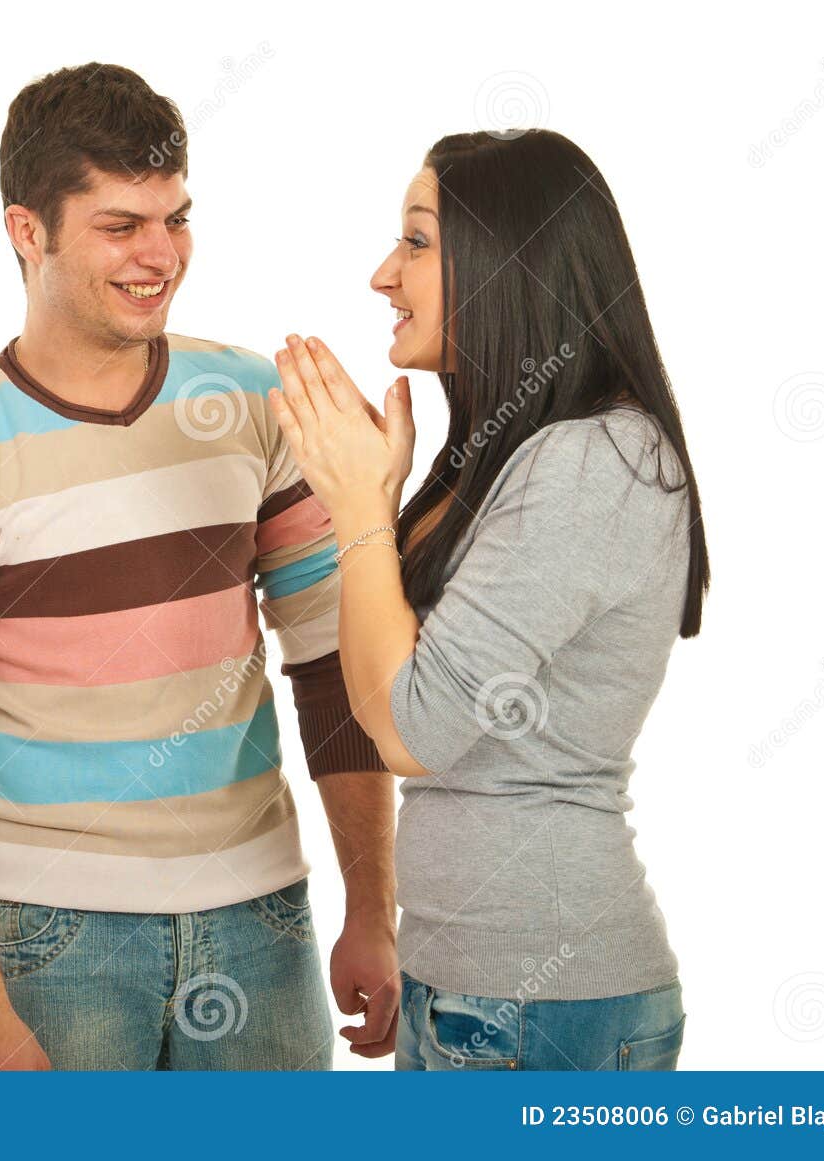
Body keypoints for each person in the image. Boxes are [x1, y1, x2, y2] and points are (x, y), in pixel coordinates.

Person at [0, 64, 397, 1070]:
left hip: (262, 922)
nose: (161, 255)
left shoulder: (255, 401)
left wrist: (373, 910)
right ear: (28, 231)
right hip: (51, 940)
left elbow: (333, 669)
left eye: (175, 219)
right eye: (121, 226)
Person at [269, 129, 709, 1070]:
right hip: (471, 989)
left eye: (417, 241)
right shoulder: (511, 454)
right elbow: (380, 690)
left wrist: (359, 510)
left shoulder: (595, 461)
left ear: (511, 260)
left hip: (542, 1005)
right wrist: (372, 504)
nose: (384, 274)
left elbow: (410, 731)